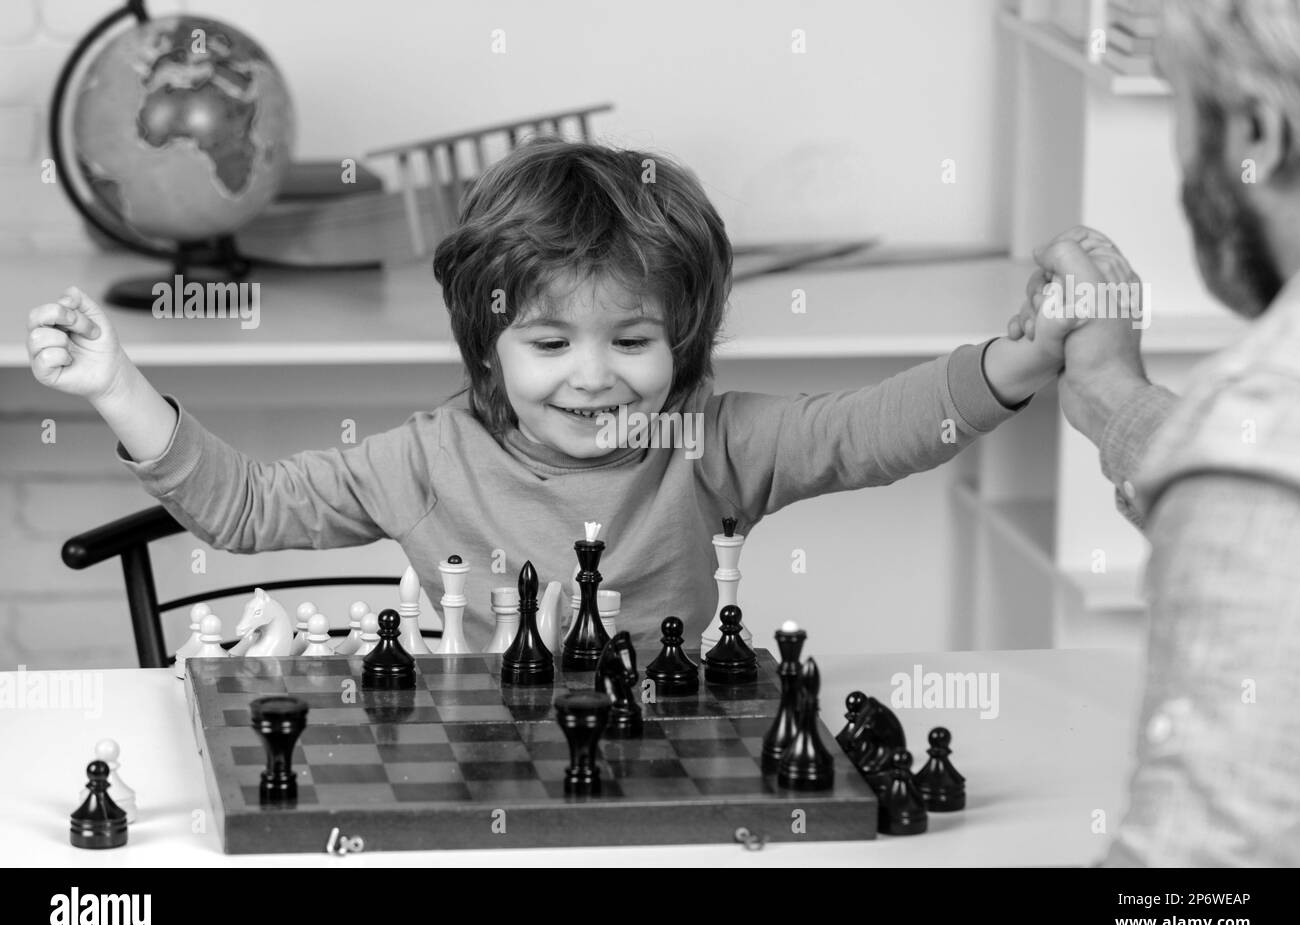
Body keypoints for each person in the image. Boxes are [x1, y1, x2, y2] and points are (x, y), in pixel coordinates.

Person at [25, 138, 1078, 659]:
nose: (592, 375)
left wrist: (1015, 365)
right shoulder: (425, 460)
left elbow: (866, 434)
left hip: (664, 751)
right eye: (546, 341)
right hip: (476, 759)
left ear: (685, 342)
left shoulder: (707, 442)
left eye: (632, 339)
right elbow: (247, 508)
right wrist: (116, 386)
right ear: (488, 348)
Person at [1008, 0, 1300, 867]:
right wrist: (1110, 397)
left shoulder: (1256, 443)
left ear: (1257, 130)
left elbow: (1199, 892)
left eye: (1175, 102)